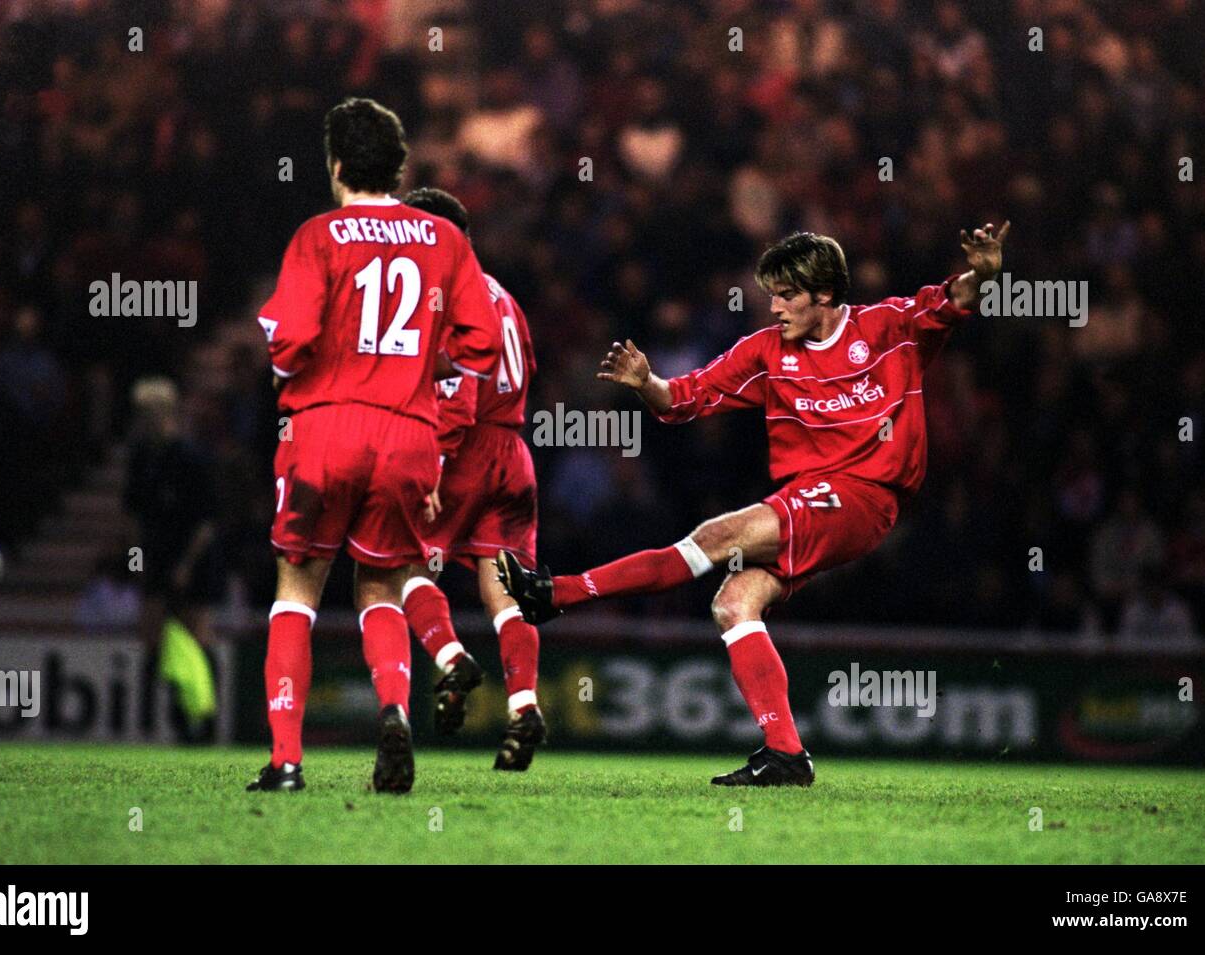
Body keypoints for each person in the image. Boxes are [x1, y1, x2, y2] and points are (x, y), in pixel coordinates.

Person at [499, 222, 1010, 787]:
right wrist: (646, 382)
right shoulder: (766, 351)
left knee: (719, 535)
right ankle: (786, 752)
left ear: (824, 294)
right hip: (807, 500)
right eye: (771, 292)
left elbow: (958, 297)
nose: (774, 306)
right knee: (734, 601)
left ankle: (561, 593)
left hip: (867, 495)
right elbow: (683, 400)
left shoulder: (889, 327)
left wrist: (985, 271)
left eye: (787, 294)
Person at [247, 98, 499, 794]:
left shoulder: (318, 236)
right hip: (410, 435)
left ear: (335, 164)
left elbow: (291, 340)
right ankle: (393, 708)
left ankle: (287, 761)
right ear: (400, 166)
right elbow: (478, 344)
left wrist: (291, 360)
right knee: (382, 585)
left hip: (325, 426)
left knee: (297, 590)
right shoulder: (446, 240)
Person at [394, 187, 546, 770]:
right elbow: (528, 368)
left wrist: (434, 464)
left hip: (462, 453)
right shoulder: (503, 294)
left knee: (400, 565)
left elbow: (456, 395)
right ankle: (524, 707)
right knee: (505, 594)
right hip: (513, 451)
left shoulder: (447, 298)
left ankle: (452, 658)